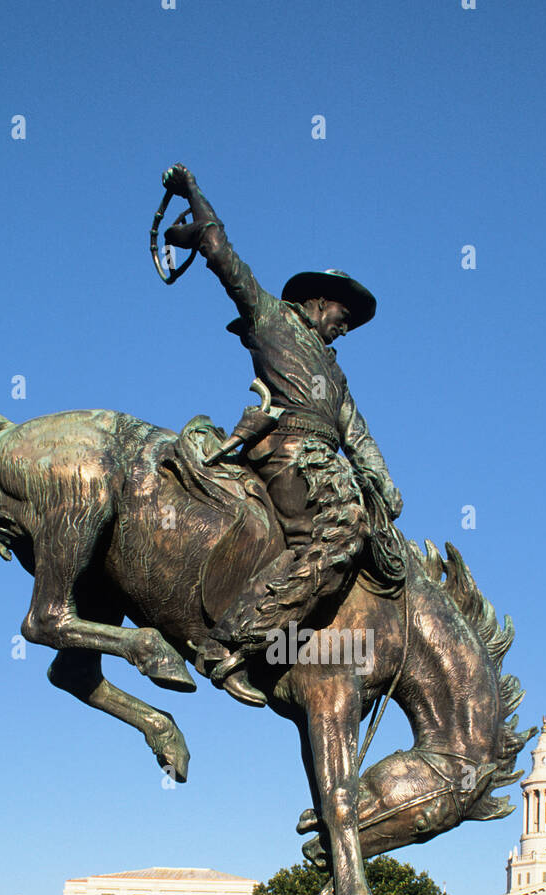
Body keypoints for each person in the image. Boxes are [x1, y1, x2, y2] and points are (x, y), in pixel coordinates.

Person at [162, 164, 405, 706]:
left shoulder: (334, 371)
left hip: (327, 459)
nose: (346, 328)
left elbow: (356, 432)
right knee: (338, 536)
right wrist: (195, 195)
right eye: (344, 317)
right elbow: (225, 257)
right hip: (288, 453)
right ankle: (230, 646)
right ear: (319, 301)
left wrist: (386, 486)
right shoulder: (272, 317)